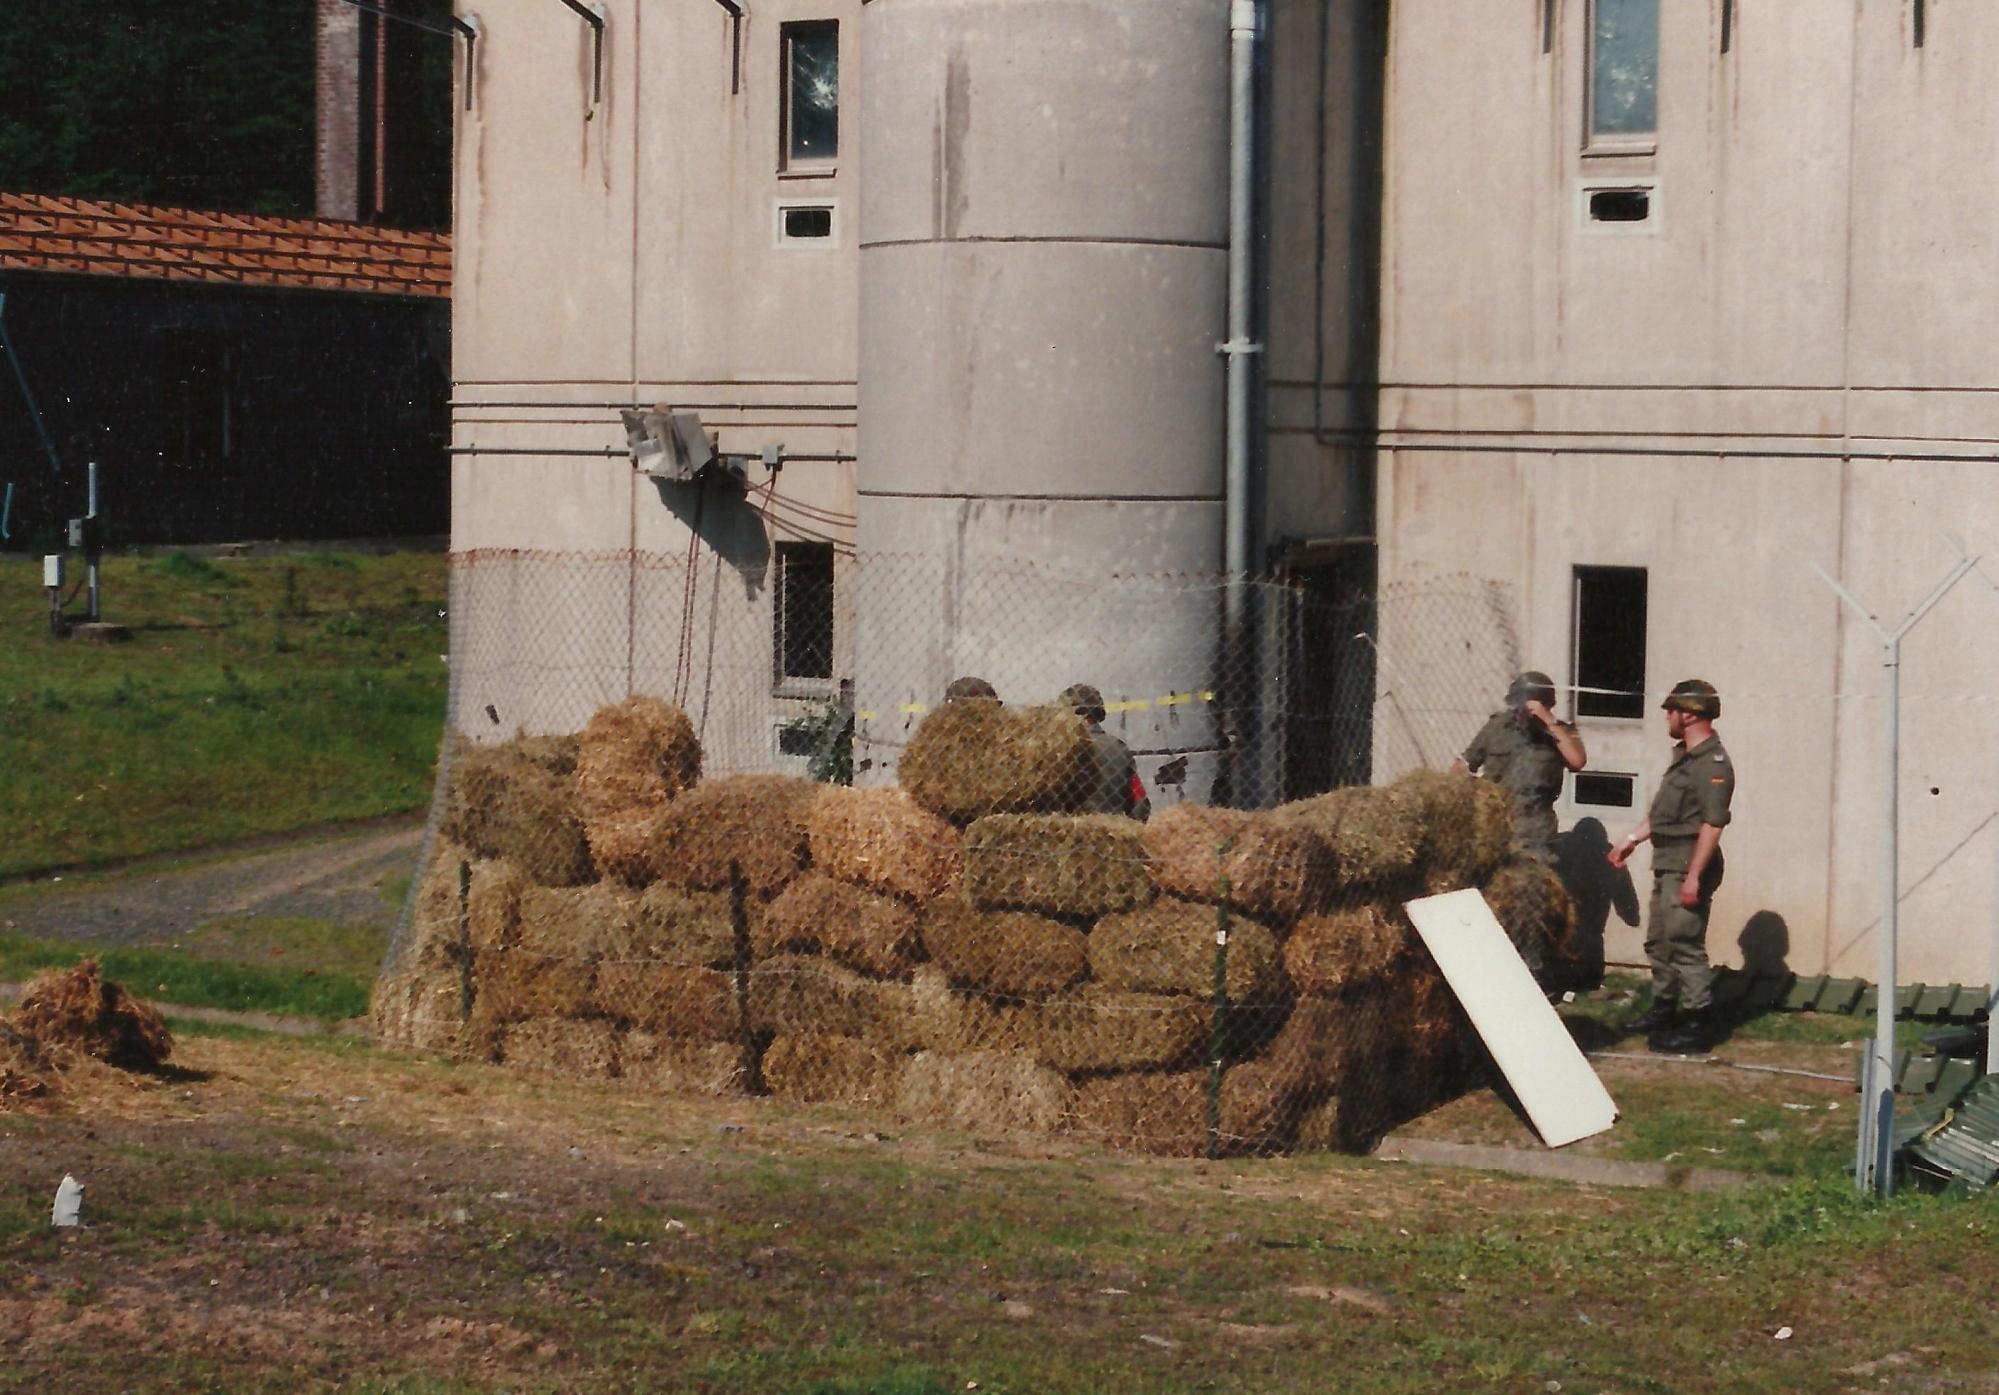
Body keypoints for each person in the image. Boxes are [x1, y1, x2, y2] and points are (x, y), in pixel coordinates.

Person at [1608, 679, 1734, 1054]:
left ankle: (1697, 1026)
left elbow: (1712, 825)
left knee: (1685, 946)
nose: (1667, 716)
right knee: (1659, 943)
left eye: (1671, 710)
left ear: (1690, 713)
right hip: (1668, 864)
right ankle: (1664, 1011)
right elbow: (1665, 815)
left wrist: (1694, 877)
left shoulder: (1713, 765)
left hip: (1687, 866)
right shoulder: (1684, 758)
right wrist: (1631, 840)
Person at [1454, 670, 1588, 863]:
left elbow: (1578, 762)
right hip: (1494, 823)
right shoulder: (1497, 726)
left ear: (1545, 704)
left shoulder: (1561, 732)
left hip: (1535, 829)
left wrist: (1548, 723)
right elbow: (1465, 762)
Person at [1060, 683, 1150, 819]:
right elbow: (1140, 802)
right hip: (1113, 832)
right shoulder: (1120, 748)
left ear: (1073, 713)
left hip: (1073, 833)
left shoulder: (1063, 750)